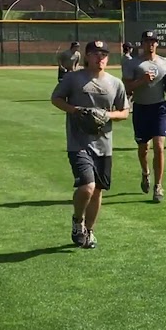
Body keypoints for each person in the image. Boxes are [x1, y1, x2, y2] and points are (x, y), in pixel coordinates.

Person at [50, 40, 129, 249]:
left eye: (103, 54)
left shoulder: (115, 83)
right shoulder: (74, 79)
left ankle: (89, 231)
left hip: (104, 145)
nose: (100, 58)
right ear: (87, 56)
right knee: (87, 186)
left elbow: (125, 112)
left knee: (98, 191)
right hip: (78, 143)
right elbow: (56, 98)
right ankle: (78, 220)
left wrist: (106, 115)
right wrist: (75, 110)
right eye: (95, 54)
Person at [122, 30, 166, 202]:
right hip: (141, 109)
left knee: (159, 146)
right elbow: (127, 88)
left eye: (153, 41)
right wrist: (141, 81)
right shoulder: (133, 63)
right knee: (143, 148)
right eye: (147, 41)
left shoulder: (165, 63)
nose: (150, 44)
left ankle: (158, 186)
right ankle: (145, 173)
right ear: (142, 43)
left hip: (159, 107)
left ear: (157, 43)